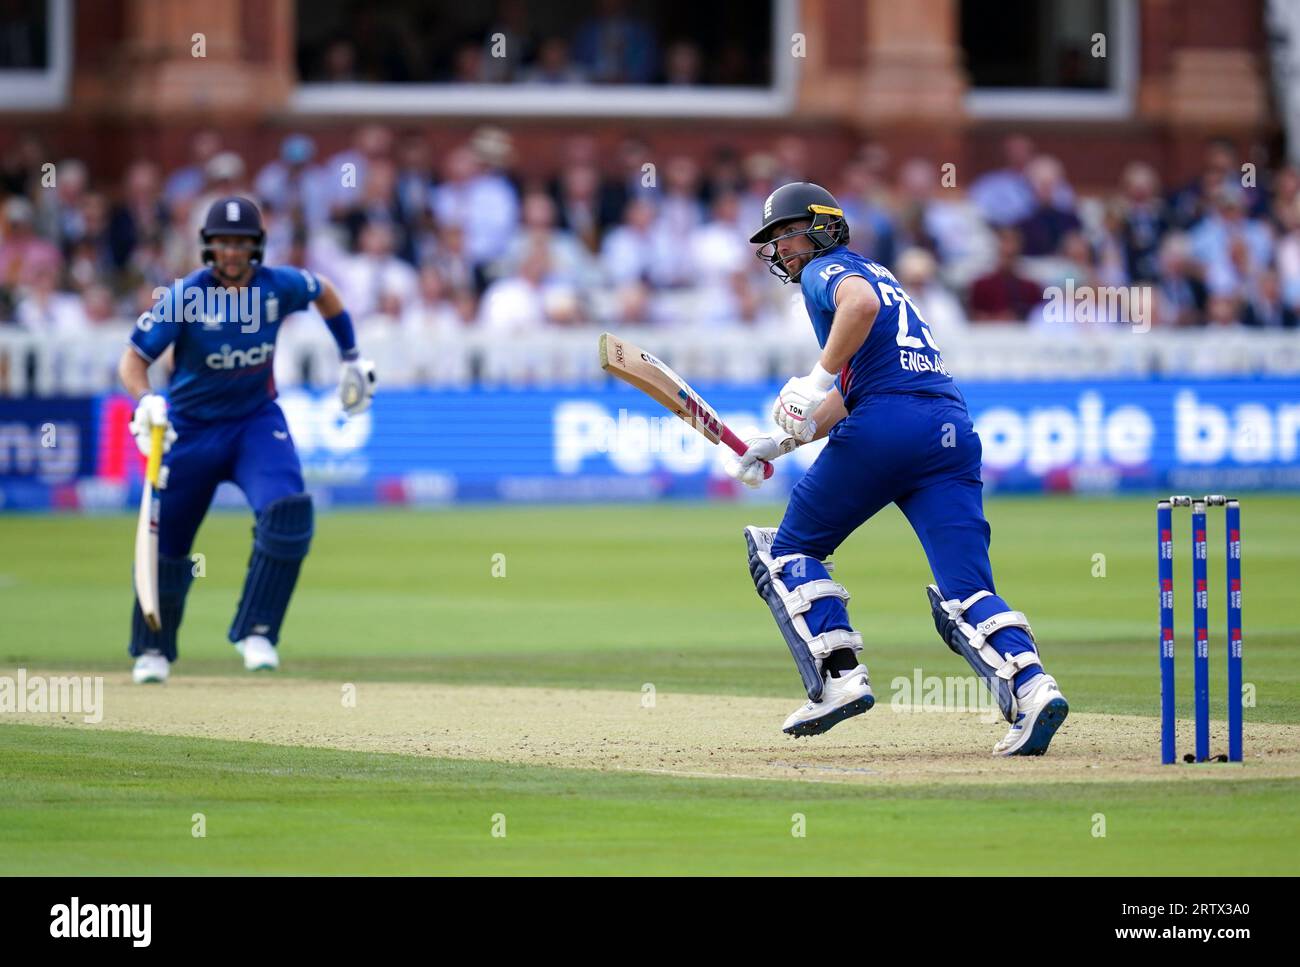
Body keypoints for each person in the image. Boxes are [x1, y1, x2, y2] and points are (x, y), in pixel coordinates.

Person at [727, 182, 1068, 756]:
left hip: (890, 426)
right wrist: (780, 443)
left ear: (821, 227)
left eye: (787, 234)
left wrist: (811, 382)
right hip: (950, 432)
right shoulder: (878, 271)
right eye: (775, 240)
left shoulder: (828, 270)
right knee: (967, 591)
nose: (781, 249)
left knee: (784, 552)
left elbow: (859, 310)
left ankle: (838, 679)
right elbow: (861, 386)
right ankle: (1032, 690)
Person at [119, 197, 376, 684]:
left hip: (255, 422)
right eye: (223, 244)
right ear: (208, 247)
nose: (232, 254)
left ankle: (256, 630)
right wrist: (146, 401)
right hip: (190, 429)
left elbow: (326, 292)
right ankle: (153, 649)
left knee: (289, 515)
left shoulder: (278, 286)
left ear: (256, 246)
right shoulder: (185, 297)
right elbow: (132, 362)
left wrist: (352, 357)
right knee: (169, 546)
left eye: (240, 244)